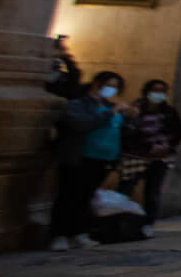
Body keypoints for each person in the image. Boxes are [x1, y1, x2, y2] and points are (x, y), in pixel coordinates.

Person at [49, 69, 127, 251]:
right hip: (80, 157)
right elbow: (80, 124)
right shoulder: (78, 105)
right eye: (109, 85)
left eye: (115, 86)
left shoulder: (110, 106)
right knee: (69, 196)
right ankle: (59, 234)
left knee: (86, 197)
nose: (112, 89)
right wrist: (109, 113)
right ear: (97, 84)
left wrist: (130, 119)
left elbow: (120, 130)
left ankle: (78, 232)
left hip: (103, 158)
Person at [118, 79, 181, 236]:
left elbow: (177, 132)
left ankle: (148, 223)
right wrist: (148, 147)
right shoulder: (135, 109)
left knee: (153, 192)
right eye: (155, 90)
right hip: (136, 155)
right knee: (126, 189)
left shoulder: (168, 111)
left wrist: (167, 146)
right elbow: (130, 132)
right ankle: (118, 221)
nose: (158, 93)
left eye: (162, 90)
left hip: (160, 157)